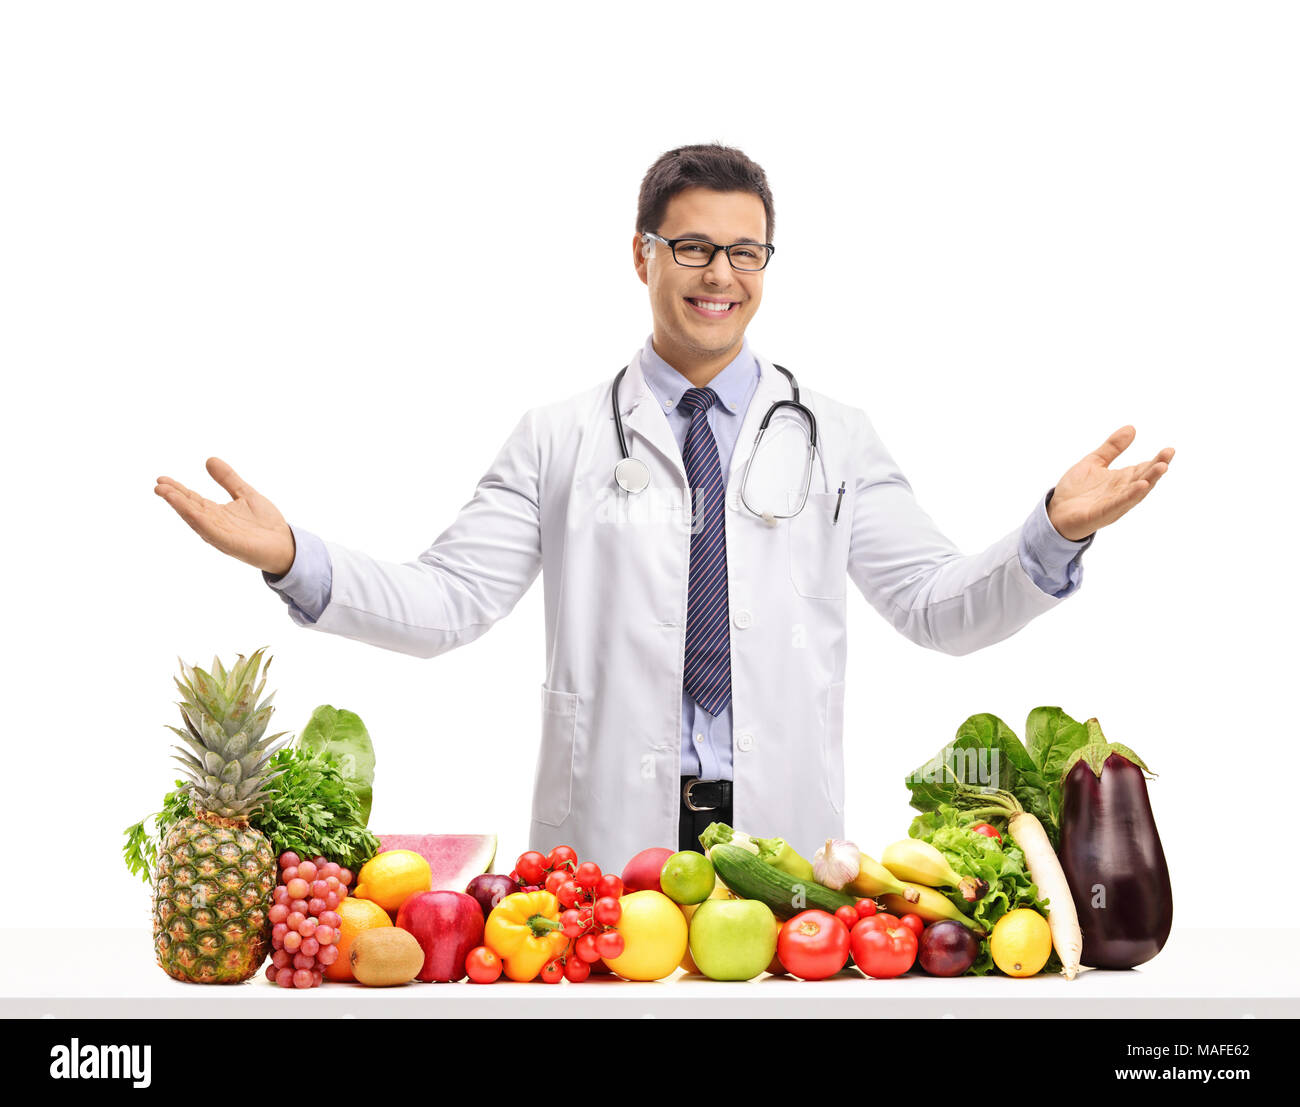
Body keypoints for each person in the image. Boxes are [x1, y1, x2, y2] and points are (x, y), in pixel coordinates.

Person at [155, 143, 1174, 869]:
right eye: (690, 247)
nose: (719, 274)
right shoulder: (557, 436)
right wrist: (294, 555)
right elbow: (448, 604)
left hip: (784, 843)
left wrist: (1056, 528)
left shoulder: (835, 434)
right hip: (607, 844)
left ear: (766, 265)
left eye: (745, 252)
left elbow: (938, 608)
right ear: (640, 254)